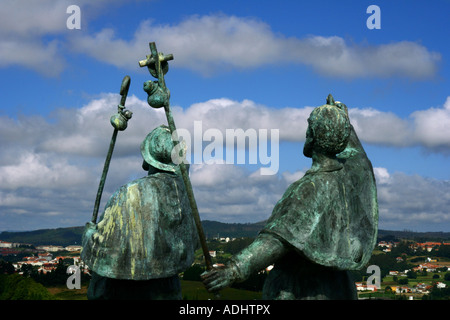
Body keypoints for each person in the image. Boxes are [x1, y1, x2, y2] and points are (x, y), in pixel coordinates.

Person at [202, 94, 378, 300]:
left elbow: (276, 242)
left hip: (305, 290)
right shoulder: (353, 175)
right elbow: (357, 155)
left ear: (311, 136)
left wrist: (231, 271)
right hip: (341, 288)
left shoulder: (310, 189)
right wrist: (341, 117)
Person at [81, 125, 199, 300]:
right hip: (169, 289)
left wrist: (89, 234)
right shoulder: (183, 192)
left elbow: (105, 250)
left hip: (128, 291)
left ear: (146, 159)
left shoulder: (130, 192)